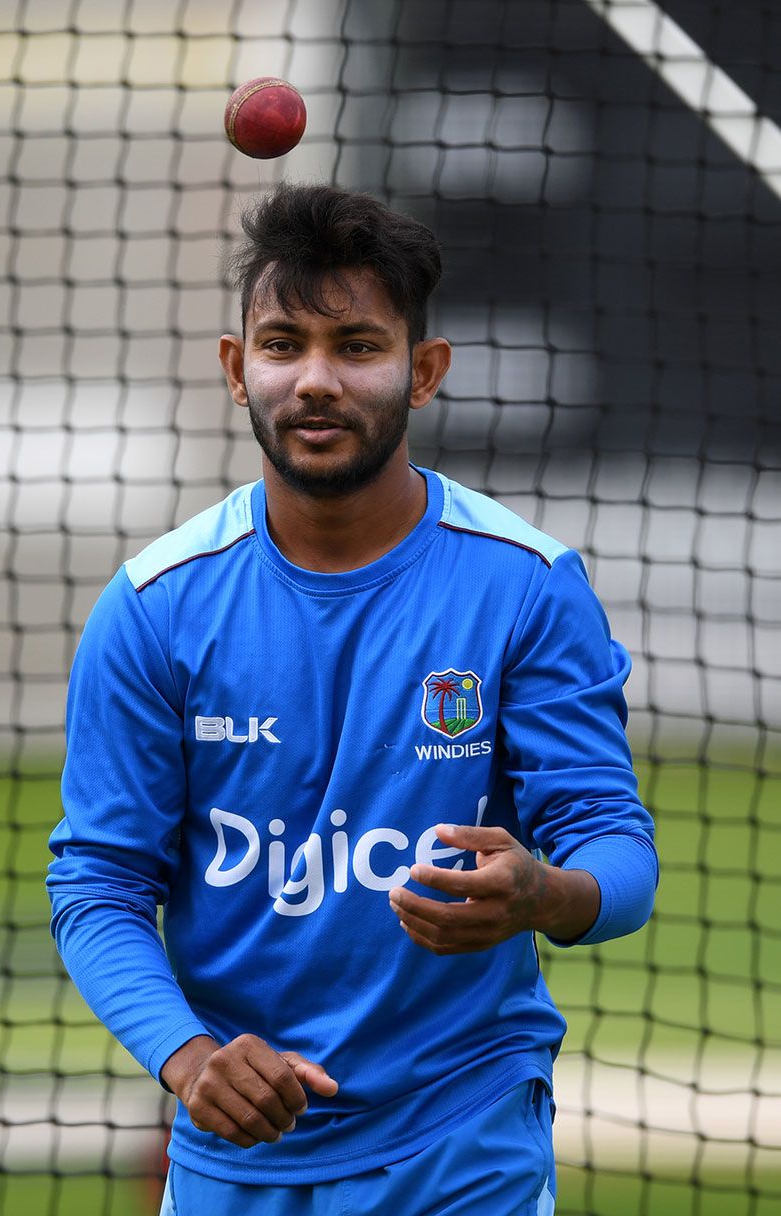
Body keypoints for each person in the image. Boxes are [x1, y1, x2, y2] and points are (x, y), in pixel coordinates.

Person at [47, 182, 658, 1215]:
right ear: (239, 369)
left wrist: (546, 894)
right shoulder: (154, 606)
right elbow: (98, 884)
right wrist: (189, 1058)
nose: (316, 380)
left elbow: (617, 847)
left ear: (423, 372)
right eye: (284, 344)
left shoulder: (526, 583)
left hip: (464, 1143)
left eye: (358, 345)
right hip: (232, 1156)